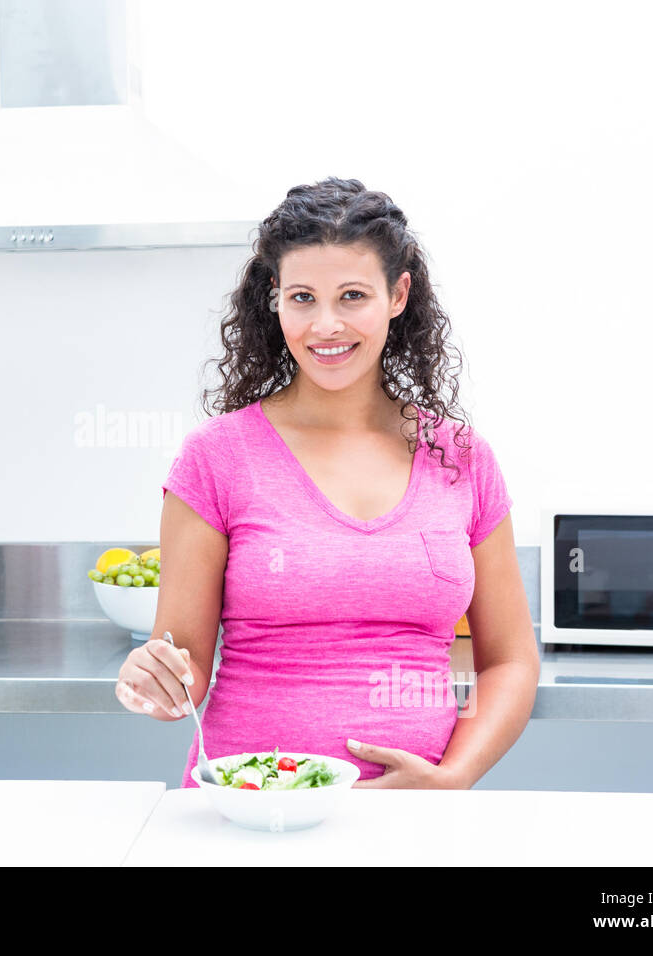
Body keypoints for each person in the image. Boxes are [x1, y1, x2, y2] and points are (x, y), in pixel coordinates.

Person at [115, 177, 538, 788]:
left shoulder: (460, 457)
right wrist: (152, 681)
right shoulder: (216, 457)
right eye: (304, 297)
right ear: (275, 299)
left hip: (410, 825)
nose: (326, 325)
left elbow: (511, 663)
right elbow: (183, 672)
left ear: (398, 295)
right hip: (250, 813)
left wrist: (452, 779)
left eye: (352, 296)